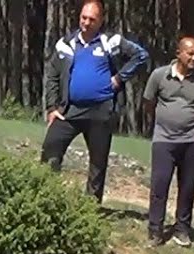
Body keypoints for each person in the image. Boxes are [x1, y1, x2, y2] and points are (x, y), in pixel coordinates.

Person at [40, 0, 149, 204]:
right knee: (51, 149)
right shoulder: (66, 44)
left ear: (101, 21)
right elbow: (52, 75)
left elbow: (140, 56)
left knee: (98, 163)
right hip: (68, 111)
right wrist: (52, 107)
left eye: (92, 19)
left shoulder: (111, 42)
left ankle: (90, 210)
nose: (87, 22)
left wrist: (119, 78)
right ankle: (47, 199)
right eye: (84, 17)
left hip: (101, 111)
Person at [142, 36, 194, 248]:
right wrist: (160, 120)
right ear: (178, 53)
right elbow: (149, 102)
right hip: (164, 140)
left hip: (192, 140)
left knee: (187, 187)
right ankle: (155, 231)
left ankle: (182, 229)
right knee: (159, 185)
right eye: (190, 53)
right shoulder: (159, 76)